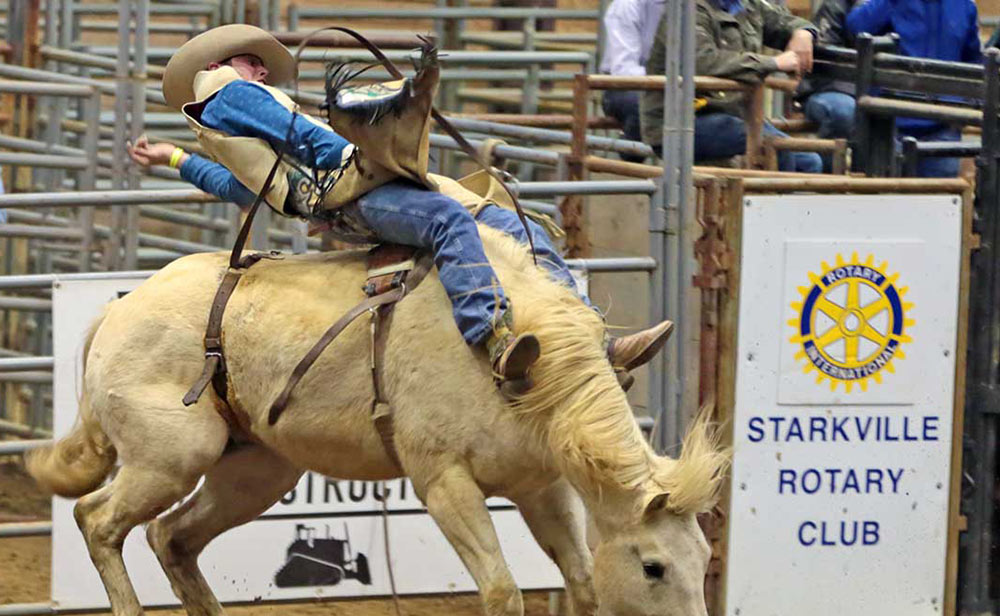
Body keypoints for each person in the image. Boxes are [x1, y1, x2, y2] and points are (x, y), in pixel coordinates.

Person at [131, 25, 672, 396]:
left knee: (510, 222)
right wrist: (357, 150)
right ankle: (493, 338)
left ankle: (589, 343)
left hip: (347, 193)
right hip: (351, 191)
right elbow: (303, 140)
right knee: (450, 220)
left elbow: (241, 186)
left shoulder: (226, 120)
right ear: (218, 64)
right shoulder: (225, 91)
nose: (261, 71)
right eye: (252, 61)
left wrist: (173, 156)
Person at [640, 0, 823, 173]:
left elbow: (782, 21)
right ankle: (769, 202)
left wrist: (803, 32)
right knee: (775, 148)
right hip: (684, 121)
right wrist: (772, 63)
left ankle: (778, 202)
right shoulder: (687, 9)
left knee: (810, 162)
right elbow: (704, 60)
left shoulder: (747, 5)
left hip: (732, 116)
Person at [847, 0, 982, 177]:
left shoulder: (964, 6)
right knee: (884, 199)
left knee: (939, 200)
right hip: (890, 125)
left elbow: (973, 61)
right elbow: (856, 26)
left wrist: (964, 105)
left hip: (943, 127)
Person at [795, 0, 857, 172]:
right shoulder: (836, 4)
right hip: (827, 90)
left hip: (875, 92)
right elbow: (824, 58)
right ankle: (829, 180)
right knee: (844, 111)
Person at [600, 0, 667, 148]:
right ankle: (632, 153)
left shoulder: (690, 8)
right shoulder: (627, 5)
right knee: (640, 104)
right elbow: (623, 69)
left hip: (671, 85)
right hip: (623, 87)